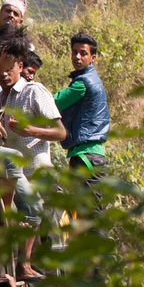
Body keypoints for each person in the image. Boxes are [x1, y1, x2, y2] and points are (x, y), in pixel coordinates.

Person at [0, 30, 65, 278]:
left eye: (10, 69)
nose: (4, 74)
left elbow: (60, 132)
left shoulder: (34, 91)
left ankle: (27, 269)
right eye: (1, 69)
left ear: (20, 66)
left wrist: (30, 130)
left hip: (35, 172)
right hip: (11, 172)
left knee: (35, 224)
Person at [55, 32, 110, 187]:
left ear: (93, 58)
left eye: (83, 53)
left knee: (91, 210)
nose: (77, 57)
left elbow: (53, 103)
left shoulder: (83, 83)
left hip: (87, 156)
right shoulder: (89, 79)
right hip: (88, 155)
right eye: (74, 52)